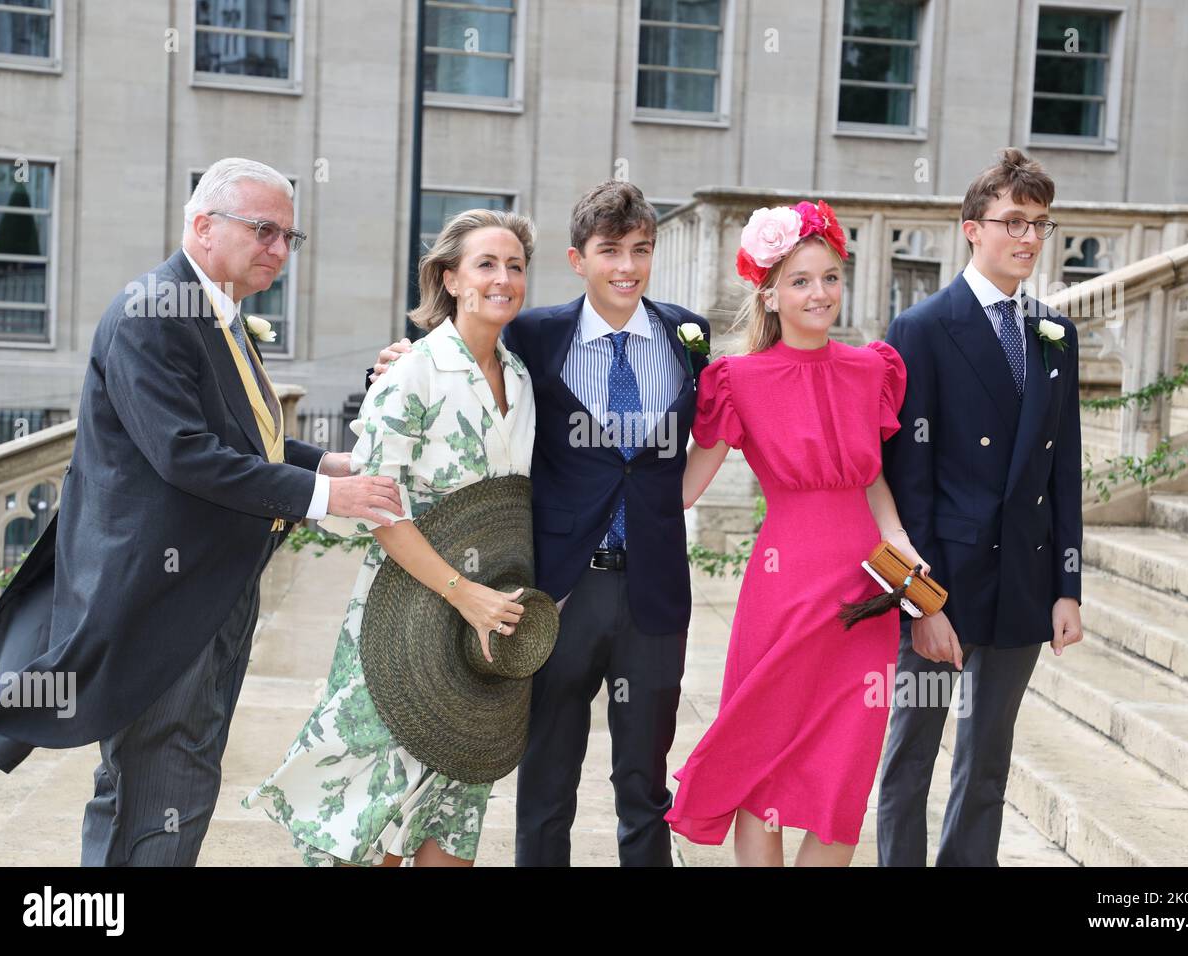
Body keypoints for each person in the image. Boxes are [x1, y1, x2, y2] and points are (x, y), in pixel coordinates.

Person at [0, 157, 400, 866]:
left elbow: (241, 433)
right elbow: (183, 454)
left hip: (212, 589)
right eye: (264, 229)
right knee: (163, 783)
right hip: (160, 599)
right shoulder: (153, 311)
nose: (278, 249)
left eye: (289, 237)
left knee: (167, 779)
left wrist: (326, 463)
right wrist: (328, 499)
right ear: (203, 225)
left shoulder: (217, 310)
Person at [370, 180, 711, 866]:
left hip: (654, 593)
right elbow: (463, 359)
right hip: (557, 591)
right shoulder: (533, 334)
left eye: (640, 250)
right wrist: (401, 358)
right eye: (610, 250)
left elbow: (702, 436)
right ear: (578, 259)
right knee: (547, 781)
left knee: (644, 784)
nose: (627, 267)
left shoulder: (686, 335)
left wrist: (670, 505)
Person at [243, 207, 538, 867]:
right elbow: (383, 511)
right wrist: (465, 594)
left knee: (456, 806)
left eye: (515, 266)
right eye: (486, 264)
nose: (504, 278)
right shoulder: (412, 374)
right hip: (407, 614)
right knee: (376, 814)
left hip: (487, 628)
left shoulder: (521, 379)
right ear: (450, 278)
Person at [665, 199, 925, 866]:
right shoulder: (737, 380)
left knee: (847, 770)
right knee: (763, 756)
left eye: (831, 276)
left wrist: (901, 548)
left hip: (865, 591)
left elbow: (870, 480)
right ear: (772, 294)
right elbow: (684, 489)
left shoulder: (874, 368)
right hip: (782, 592)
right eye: (802, 280)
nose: (820, 293)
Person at [876, 147, 1084, 867]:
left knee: (989, 760)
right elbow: (907, 485)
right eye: (1013, 223)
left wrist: (1067, 588)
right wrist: (923, 604)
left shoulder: (1056, 335)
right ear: (972, 229)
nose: (1028, 239)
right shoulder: (922, 330)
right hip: (944, 583)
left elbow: (1064, 473)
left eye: (1039, 225)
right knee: (911, 757)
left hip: (1024, 581)